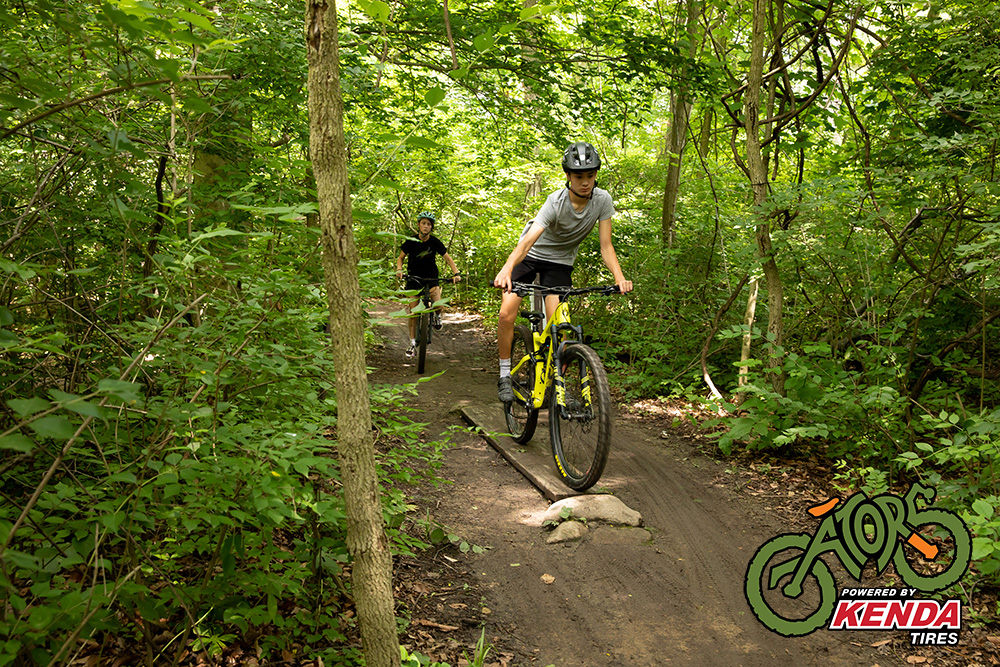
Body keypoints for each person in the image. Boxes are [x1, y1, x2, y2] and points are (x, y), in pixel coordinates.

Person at [493, 141, 633, 402]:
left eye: (590, 176)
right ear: (568, 176)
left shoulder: (602, 201)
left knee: (560, 324)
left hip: (560, 263)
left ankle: (555, 384)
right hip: (531, 257)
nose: (585, 182)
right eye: (579, 176)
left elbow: (606, 246)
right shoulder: (555, 202)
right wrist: (506, 269)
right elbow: (527, 242)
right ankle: (503, 374)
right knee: (506, 312)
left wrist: (619, 278)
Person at [396, 212, 460, 358]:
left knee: (438, 305)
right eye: (424, 223)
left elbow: (448, 259)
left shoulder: (435, 242)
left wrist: (456, 273)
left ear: (431, 227)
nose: (426, 226)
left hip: (431, 278)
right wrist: (399, 270)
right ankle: (412, 344)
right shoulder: (410, 241)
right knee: (413, 313)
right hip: (413, 279)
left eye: (429, 224)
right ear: (418, 225)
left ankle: (437, 316)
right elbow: (400, 258)